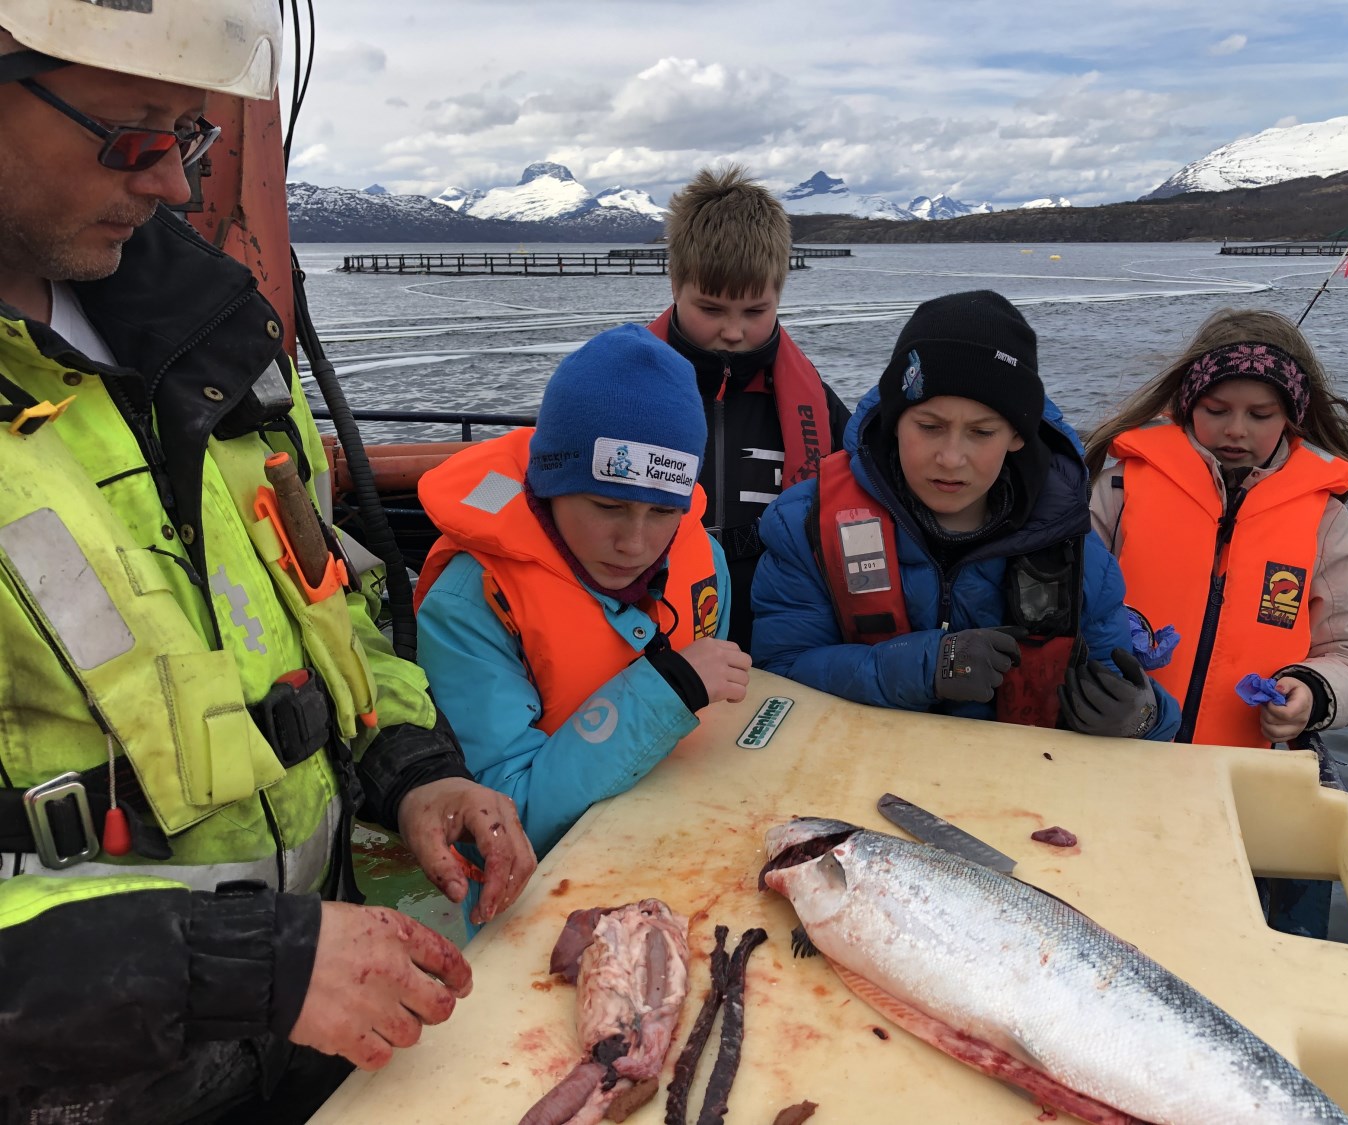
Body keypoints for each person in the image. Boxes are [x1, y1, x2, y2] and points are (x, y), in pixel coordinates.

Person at [0, 3, 537, 1121]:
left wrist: (412, 769)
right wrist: (239, 969)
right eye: (131, 135)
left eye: (190, 137)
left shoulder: (218, 334)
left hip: (305, 1045)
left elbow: (329, 603)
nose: (173, 184)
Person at [751, 290, 1181, 741]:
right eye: (929, 427)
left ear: (1017, 435)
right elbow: (777, 673)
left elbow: (1131, 700)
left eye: (981, 432)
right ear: (894, 420)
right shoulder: (804, 526)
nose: (951, 458)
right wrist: (925, 666)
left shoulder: (1077, 551)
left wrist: (1144, 719)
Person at [415, 324, 750, 868]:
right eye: (608, 506)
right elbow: (498, 820)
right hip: (552, 887)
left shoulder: (704, 559)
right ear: (549, 486)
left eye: (663, 511)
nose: (635, 544)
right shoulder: (470, 602)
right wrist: (670, 690)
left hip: (691, 850)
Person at [1083, 308, 1348, 751]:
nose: (1236, 430)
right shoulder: (1117, 490)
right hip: (1112, 747)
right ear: (1188, 404)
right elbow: (1060, 609)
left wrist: (1312, 691)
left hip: (1236, 767)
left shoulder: (1326, 522)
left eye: (1261, 414)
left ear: (1291, 417)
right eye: (1216, 409)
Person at [646, 164, 852, 649]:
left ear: (779, 294)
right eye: (711, 309)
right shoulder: (623, 390)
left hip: (777, 632)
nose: (733, 331)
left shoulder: (820, 405)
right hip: (657, 632)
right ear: (675, 285)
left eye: (755, 311)